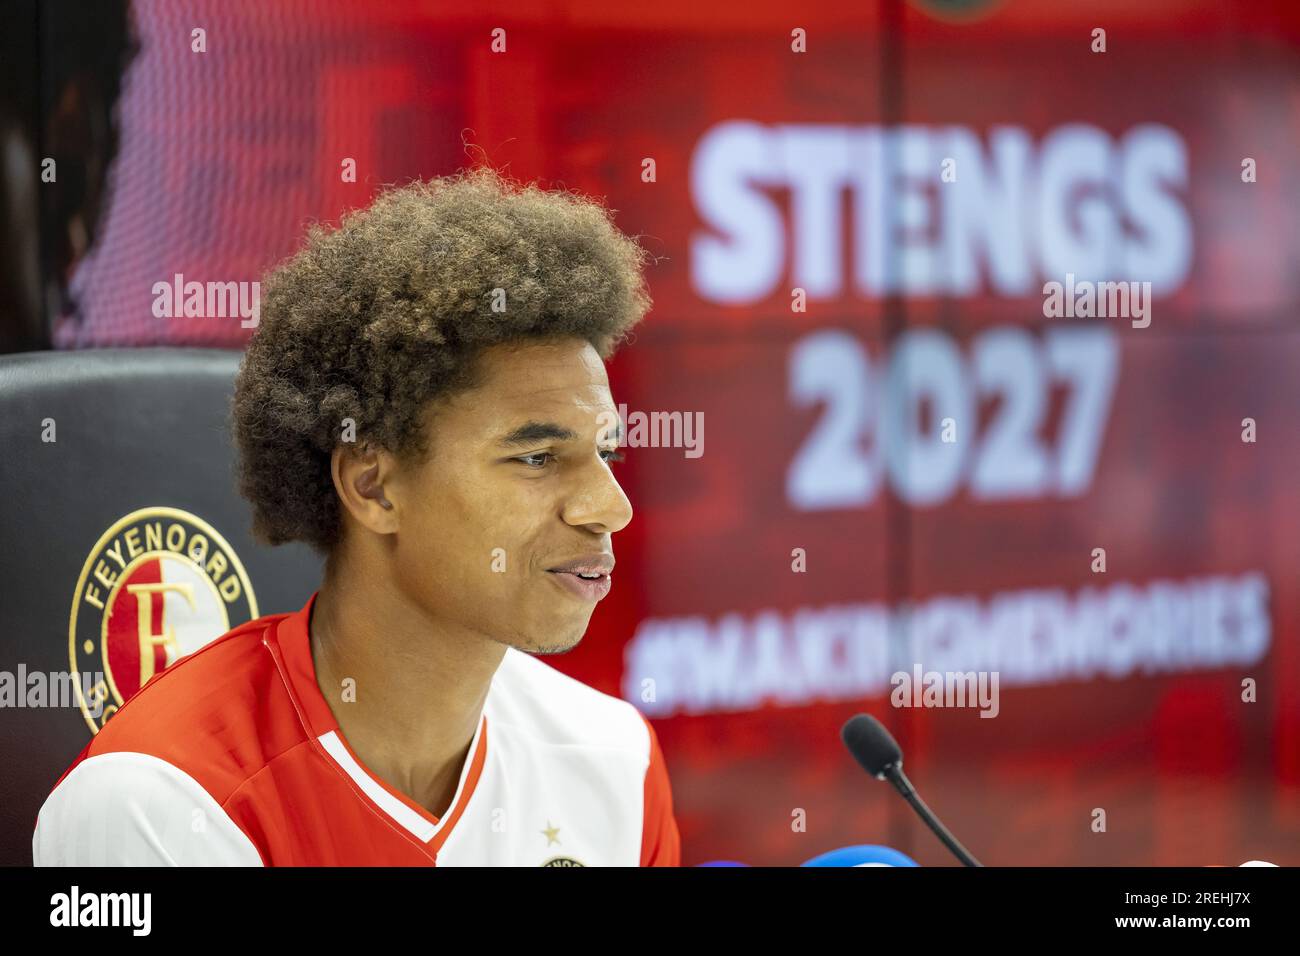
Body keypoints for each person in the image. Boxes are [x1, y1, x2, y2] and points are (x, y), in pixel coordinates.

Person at [33, 166, 680, 866]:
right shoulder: (160, 801)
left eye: (605, 453)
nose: (608, 508)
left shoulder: (615, 762)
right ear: (373, 486)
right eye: (536, 458)